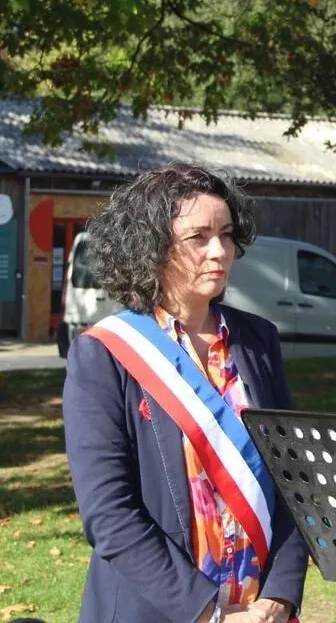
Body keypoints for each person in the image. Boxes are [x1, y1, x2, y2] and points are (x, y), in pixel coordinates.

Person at [63, 164, 308, 623]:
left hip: (259, 609)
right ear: (152, 248)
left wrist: (280, 594)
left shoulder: (257, 341)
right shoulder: (105, 354)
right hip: (161, 610)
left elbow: (290, 481)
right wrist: (208, 613)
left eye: (227, 234)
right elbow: (110, 514)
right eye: (198, 238)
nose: (219, 251)